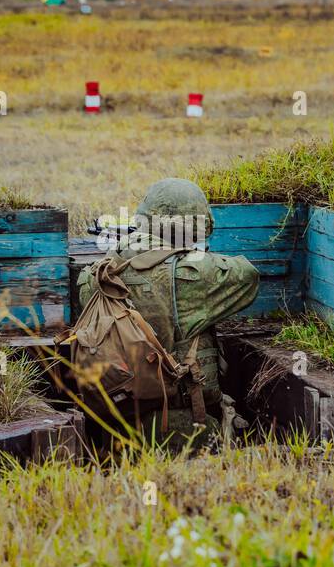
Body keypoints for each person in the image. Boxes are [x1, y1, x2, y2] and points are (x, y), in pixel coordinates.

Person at [76, 178, 259, 447]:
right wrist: (180, 251)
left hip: (115, 427)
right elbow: (248, 275)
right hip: (184, 430)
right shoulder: (190, 275)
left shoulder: (97, 274)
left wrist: (139, 246)